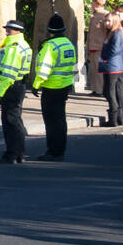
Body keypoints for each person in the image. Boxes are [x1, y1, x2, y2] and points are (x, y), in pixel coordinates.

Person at [32, 13, 78, 161]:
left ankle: (53, 151)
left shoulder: (50, 46)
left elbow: (44, 69)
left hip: (51, 88)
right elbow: (73, 66)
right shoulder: (68, 44)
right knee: (60, 120)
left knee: (51, 122)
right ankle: (60, 150)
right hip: (64, 86)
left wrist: (36, 85)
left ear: (49, 30)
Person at [0, 19, 33, 163]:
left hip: (11, 86)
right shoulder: (23, 45)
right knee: (16, 121)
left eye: (9, 30)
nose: (6, 32)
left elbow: (9, 74)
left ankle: (11, 154)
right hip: (19, 86)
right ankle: (19, 153)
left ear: (17, 31)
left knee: (10, 122)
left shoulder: (13, 47)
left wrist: (0, 93)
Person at [99, 8, 123, 127]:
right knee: (109, 91)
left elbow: (114, 50)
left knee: (109, 91)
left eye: (109, 21)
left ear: (114, 21)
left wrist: (104, 57)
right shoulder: (113, 32)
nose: (106, 23)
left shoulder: (117, 32)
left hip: (113, 66)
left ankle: (114, 118)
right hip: (112, 65)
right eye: (105, 21)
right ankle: (118, 118)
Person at [87, 0, 112, 97]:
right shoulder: (94, 15)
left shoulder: (105, 14)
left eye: (93, 1)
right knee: (93, 69)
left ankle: (100, 90)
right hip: (92, 46)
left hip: (100, 47)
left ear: (98, 3)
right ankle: (94, 89)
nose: (91, 4)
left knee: (99, 70)